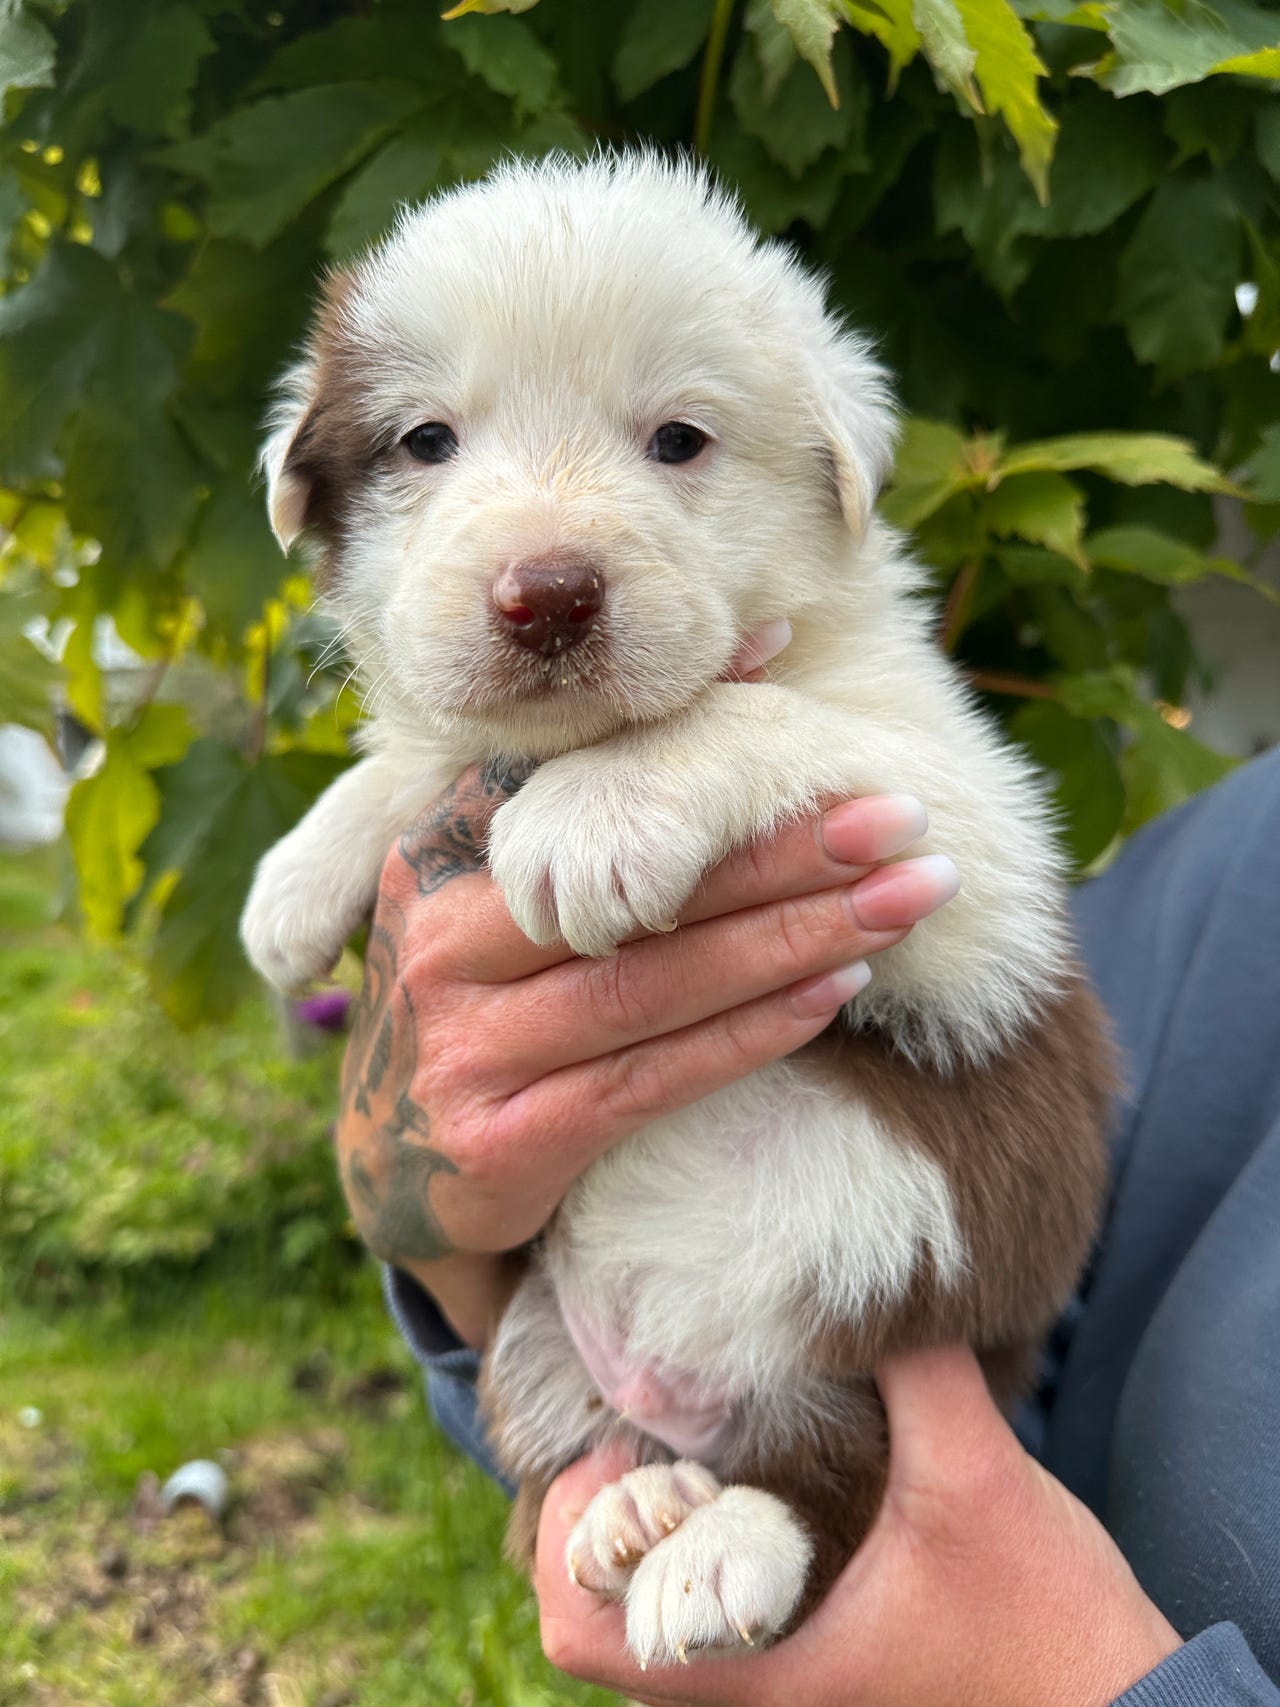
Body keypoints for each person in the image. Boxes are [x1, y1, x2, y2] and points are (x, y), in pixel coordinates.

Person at [336, 728, 1280, 1705]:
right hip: (678, 1354)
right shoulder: (1241, 857)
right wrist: (454, 1246)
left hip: (835, 1448)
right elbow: (1035, 1196)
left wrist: (1057, 1677)